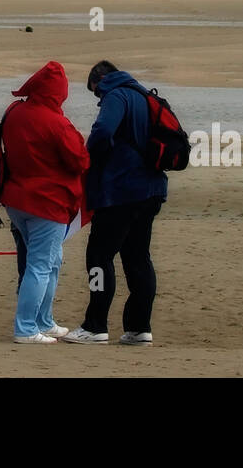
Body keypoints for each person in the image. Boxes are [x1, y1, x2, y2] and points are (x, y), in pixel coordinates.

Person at [64, 61, 167, 346]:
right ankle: (138, 328)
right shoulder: (146, 96)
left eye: (95, 92)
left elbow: (104, 130)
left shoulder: (116, 94)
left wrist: (90, 157)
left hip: (121, 191)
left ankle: (95, 325)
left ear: (101, 79)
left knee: (98, 258)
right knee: (137, 258)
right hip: (152, 190)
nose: (97, 98)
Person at [0, 61, 89, 344]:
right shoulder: (57, 123)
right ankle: (26, 328)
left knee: (49, 261)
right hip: (47, 203)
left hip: (17, 201)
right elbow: (80, 160)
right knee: (40, 264)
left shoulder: (15, 111)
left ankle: (43, 320)